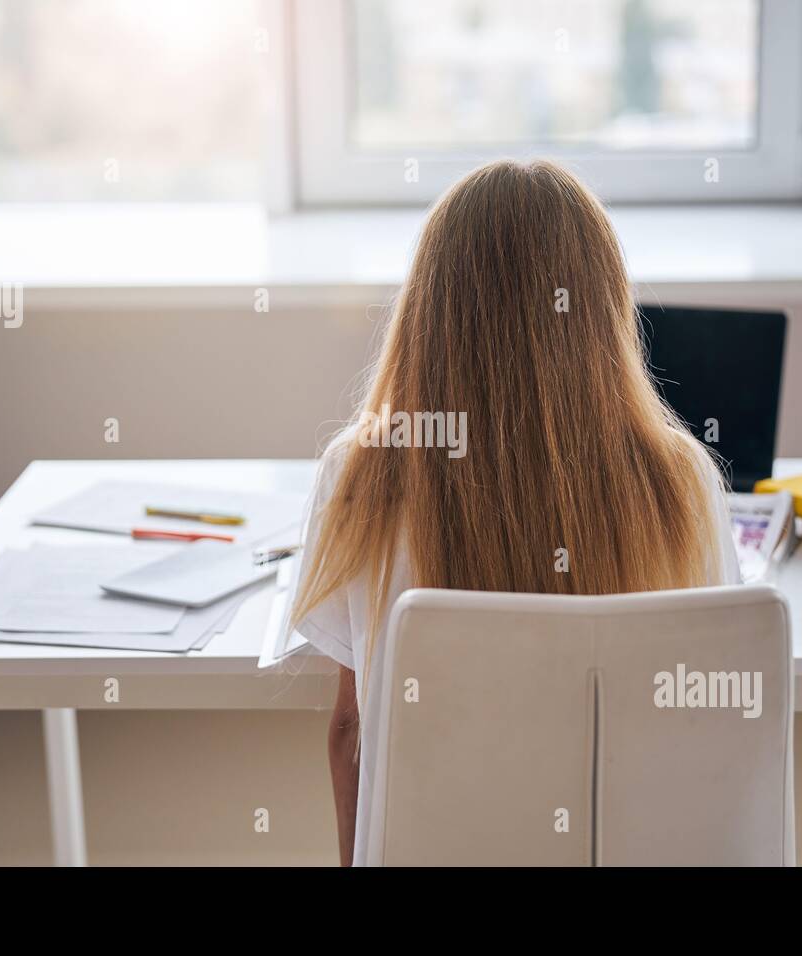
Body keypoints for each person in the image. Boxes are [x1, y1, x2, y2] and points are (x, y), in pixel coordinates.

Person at [289, 159, 740, 866]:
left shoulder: (362, 470)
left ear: (427, 306)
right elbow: (699, 729)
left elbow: (350, 730)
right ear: (604, 309)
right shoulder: (682, 483)